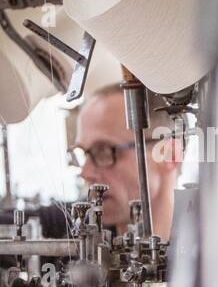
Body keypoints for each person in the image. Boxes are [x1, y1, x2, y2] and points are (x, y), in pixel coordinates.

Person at [1, 84, 183, 241]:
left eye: (103, 151)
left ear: (169, 154)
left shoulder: (206, 252)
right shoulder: (68, 224)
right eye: (84, 153)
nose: (85, 172)